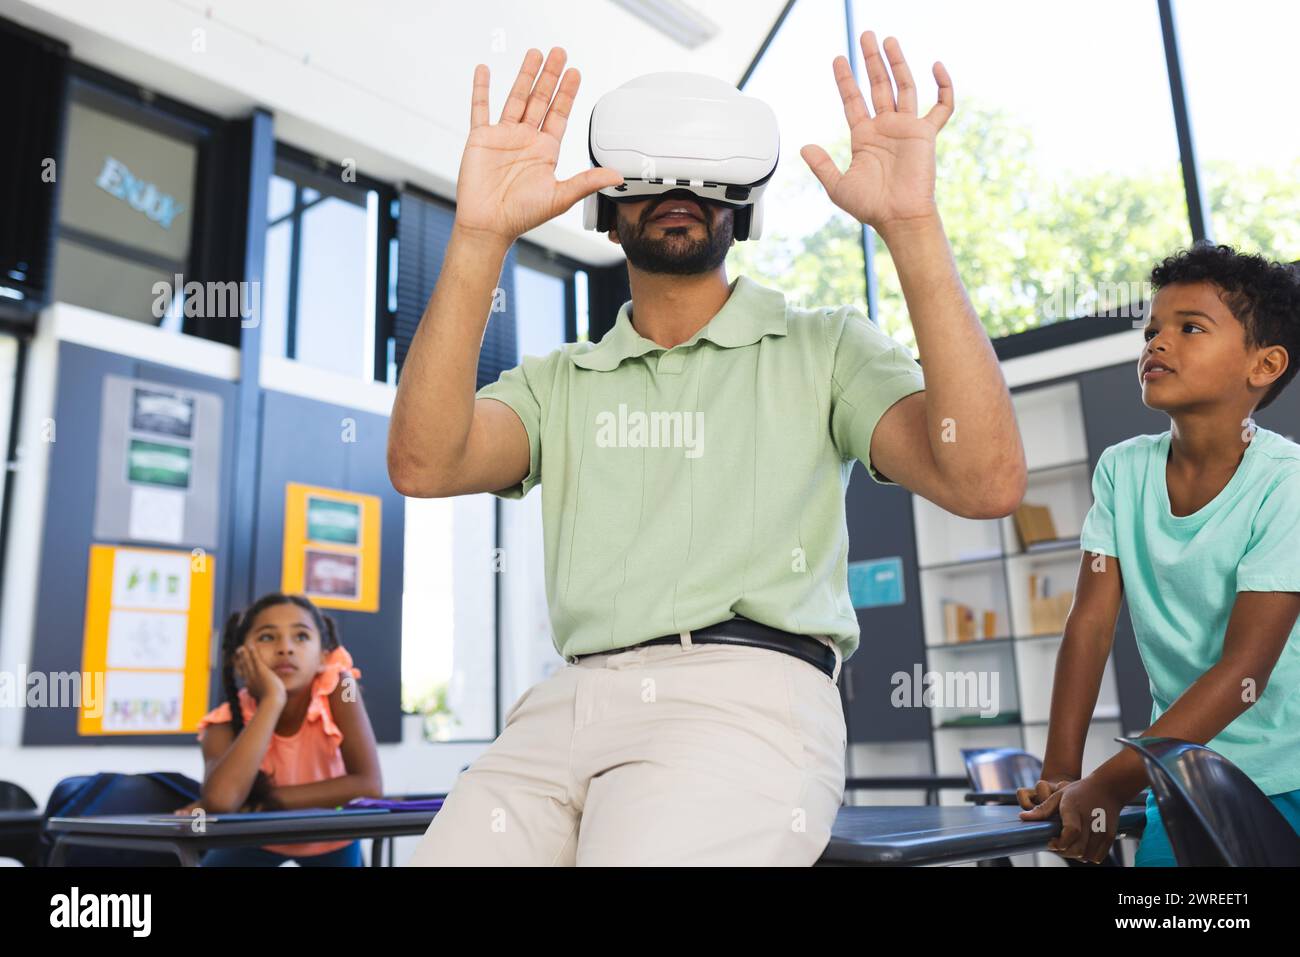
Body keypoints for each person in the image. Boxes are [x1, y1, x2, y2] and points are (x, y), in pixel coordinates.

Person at [390, 35, 1026, 865]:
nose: (679, 189)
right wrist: (479, 235)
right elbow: (424, 463)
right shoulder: (561, 381)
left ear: (742, 208)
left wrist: (911, 225)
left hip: (745, 695)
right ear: (606, 212)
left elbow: (986, 480)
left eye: (704, 174)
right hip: (563, 702)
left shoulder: (825, 348)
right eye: (651, 175)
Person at [1018, 244, 1300, 865]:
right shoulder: (1123, 471)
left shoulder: (1287, 485)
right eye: (1152, 331)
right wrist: (1063, 774)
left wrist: (1110, 783)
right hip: (1178, 773)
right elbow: (1089, 626)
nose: (1157, 344)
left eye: (1189, 328)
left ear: (1264, 364)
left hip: (1286, 777)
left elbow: (1244, 675)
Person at [177, 592, 383, 866]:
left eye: (301, 636)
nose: (285, 648)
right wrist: (272, 700)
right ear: (241, 659)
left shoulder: (342, 689)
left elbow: (368, 786)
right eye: (266, 637)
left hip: (332, 836)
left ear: (324, 657)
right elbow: (222, 801)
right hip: (255, 837)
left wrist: (258, 804)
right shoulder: (223, 721)